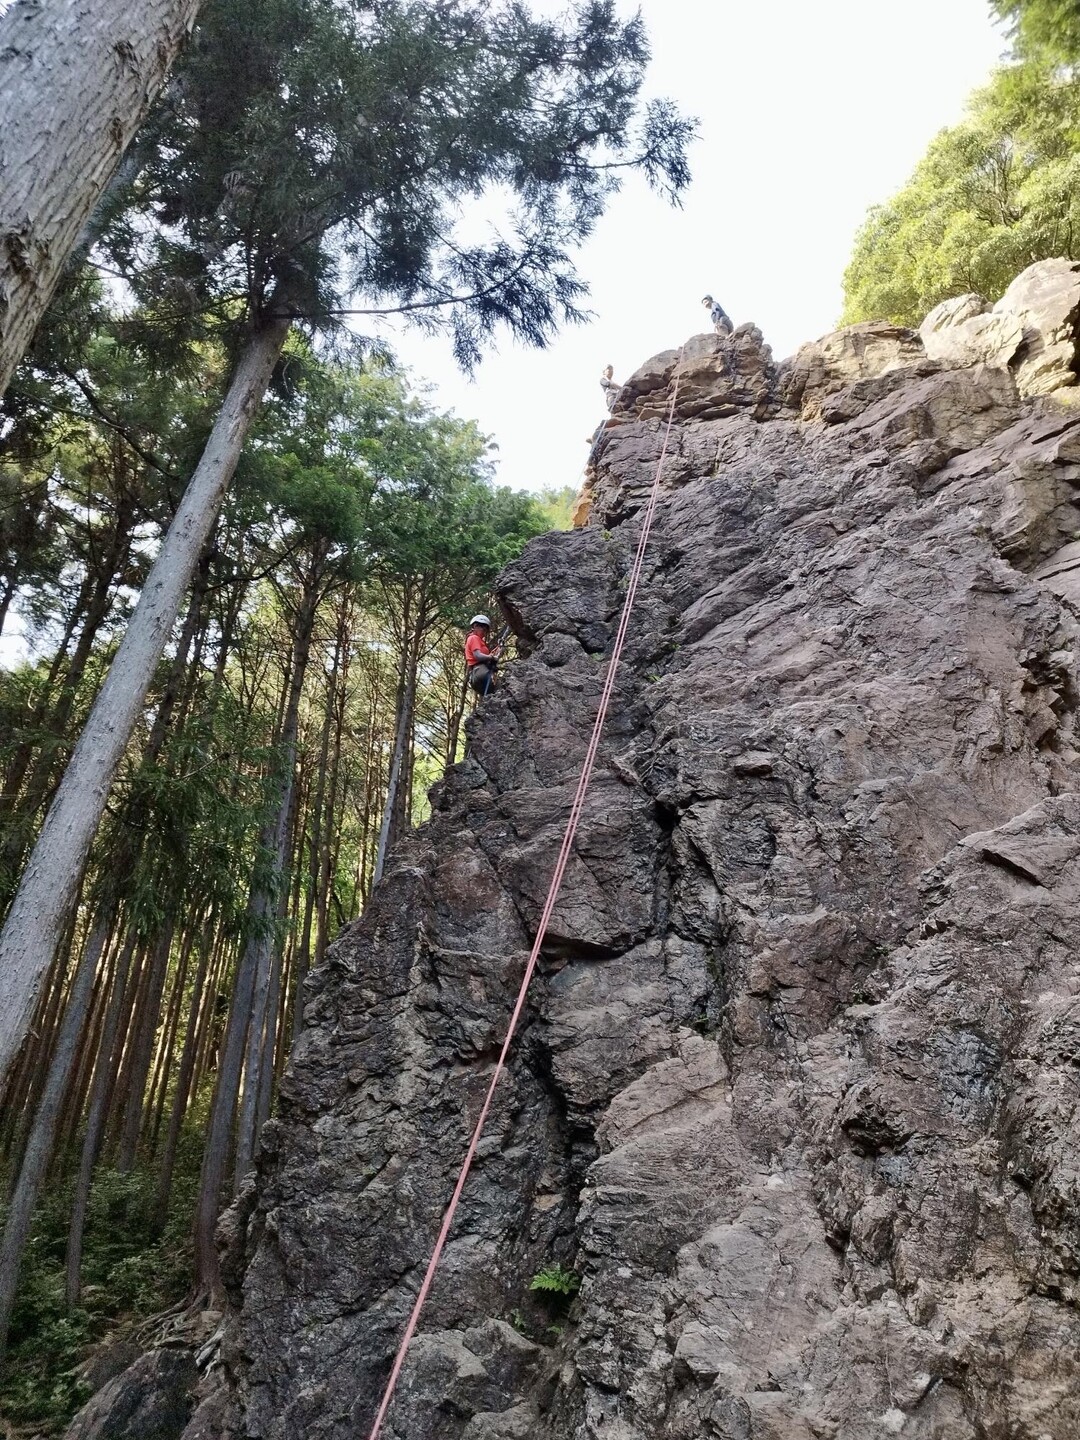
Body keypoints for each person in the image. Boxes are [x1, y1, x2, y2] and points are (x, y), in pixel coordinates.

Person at [465, 614, 502, 695]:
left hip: (476, 675)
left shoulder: (476, 640)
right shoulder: (474, 638)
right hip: (480, 671)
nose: (484, 632)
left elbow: (482, 656)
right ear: (475, 626)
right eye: (483, 628)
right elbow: (477, 655)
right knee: (501, 689)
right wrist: (492, 657)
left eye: (486, 630)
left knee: (491, 696)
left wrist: (492, 656)